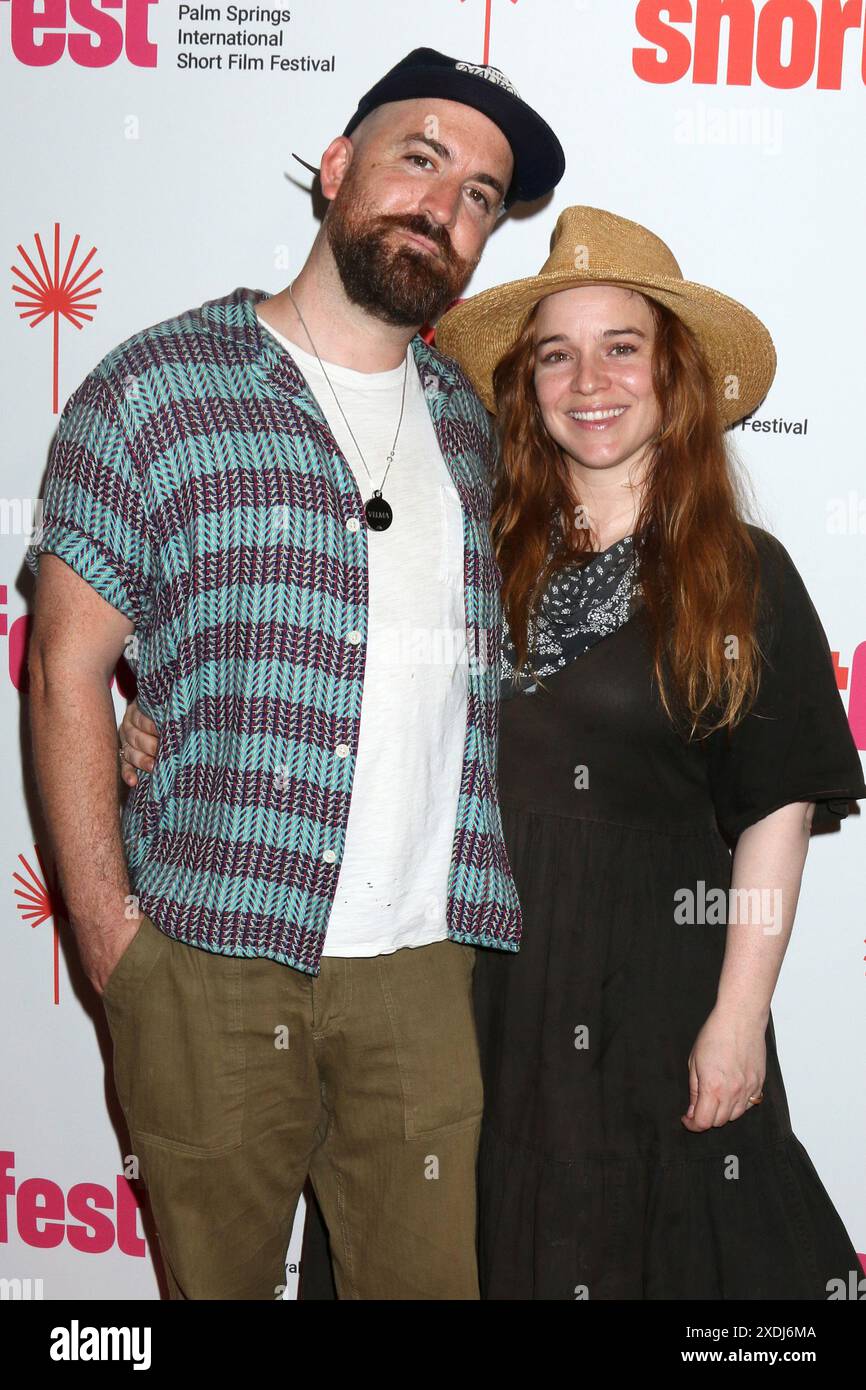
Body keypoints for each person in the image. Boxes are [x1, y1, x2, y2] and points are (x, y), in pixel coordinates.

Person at [24, 47, 565, 1300]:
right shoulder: (153, 390)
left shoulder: (471, 432)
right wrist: (113, 948)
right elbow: (63, 671)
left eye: (480, 194)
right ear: (335, 169)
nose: (444, 205)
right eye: (419, 159)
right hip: (208, 955)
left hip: (422, 971)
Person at [434, 204, 866, 1298]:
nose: (589, 380)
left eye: (620, 347)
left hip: (657, 986)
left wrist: (735, 1019)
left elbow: (774, 816)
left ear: (671, 375)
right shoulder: (473, 552)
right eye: (555, 355)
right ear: (527, 387)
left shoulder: (741, 572)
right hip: (481, 983)